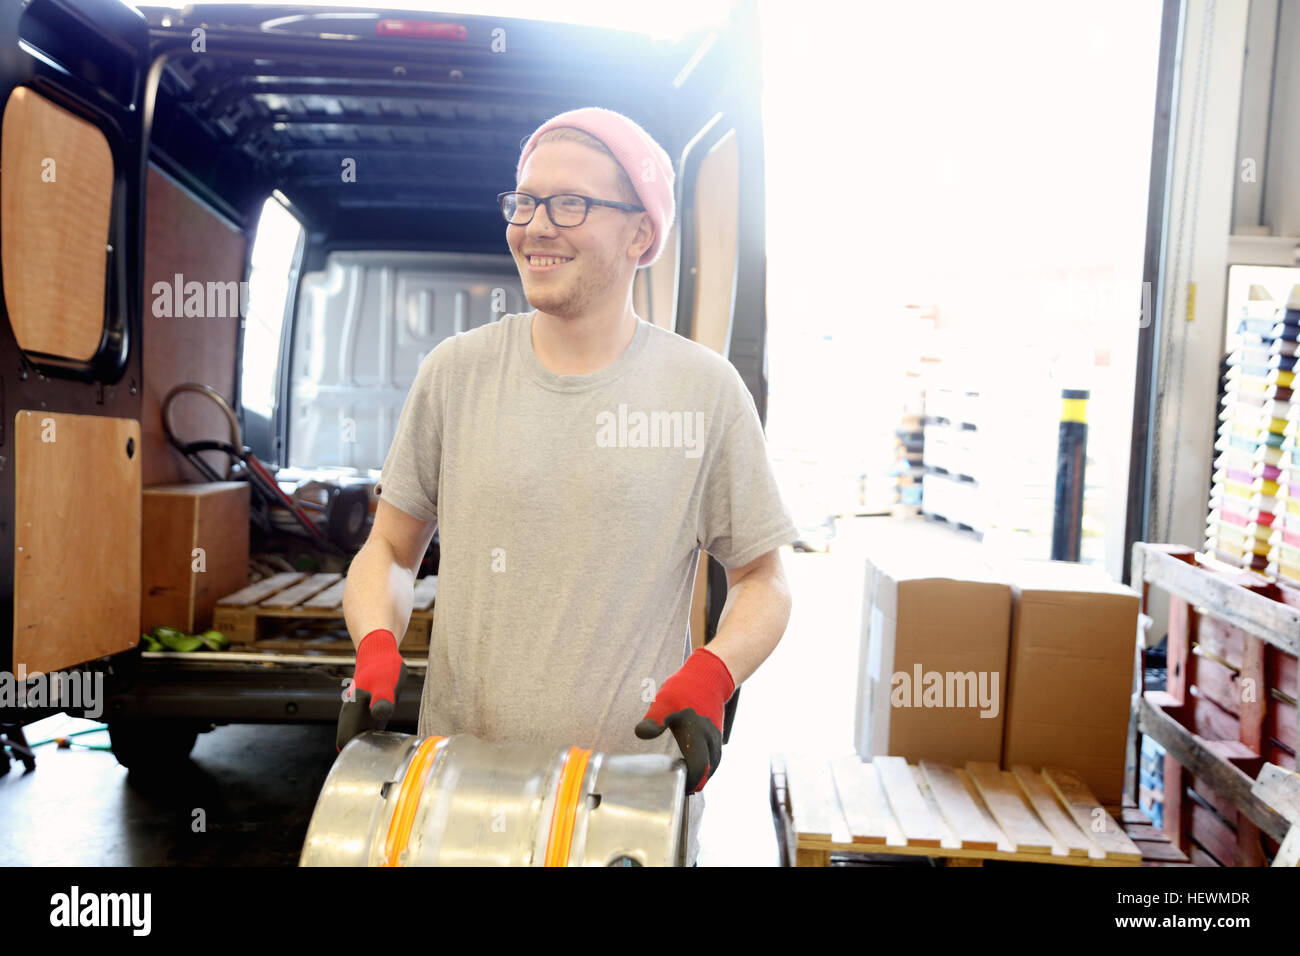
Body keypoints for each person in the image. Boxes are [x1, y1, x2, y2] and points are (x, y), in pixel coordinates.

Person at [337, 106, 796, 866]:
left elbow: (765, 578)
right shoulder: (456, 373)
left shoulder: (702, 392)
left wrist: (715, 671)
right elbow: (389, 549)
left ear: (641, 235)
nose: (534, 226)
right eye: (523, 202)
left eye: (570, 204)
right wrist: (377, 644)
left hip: (623, 803)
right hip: (454, 795)